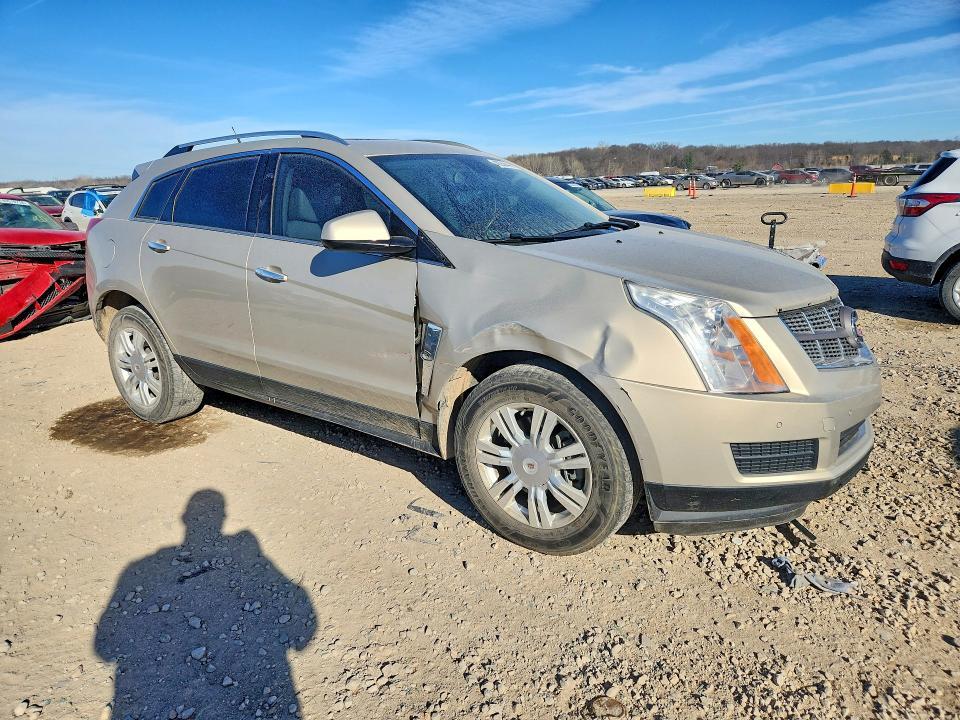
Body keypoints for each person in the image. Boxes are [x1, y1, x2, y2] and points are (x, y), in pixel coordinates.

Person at [95, 490, 315, 719]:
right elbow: (304, 634)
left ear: (184, 518)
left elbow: (104, 648)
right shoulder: (249, 551)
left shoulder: (137, 569)